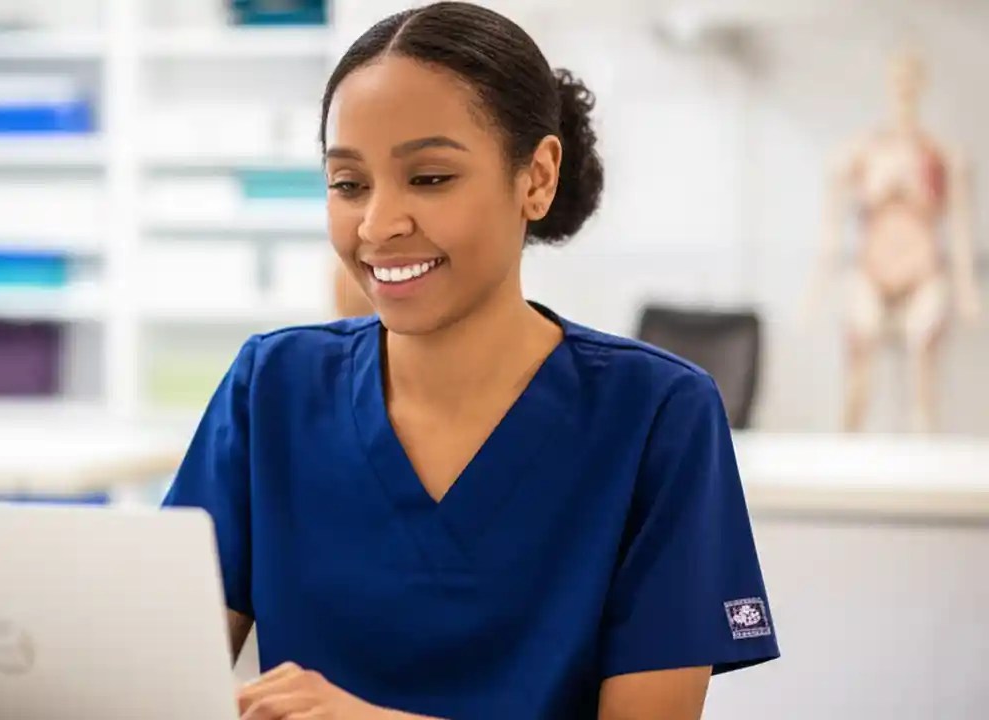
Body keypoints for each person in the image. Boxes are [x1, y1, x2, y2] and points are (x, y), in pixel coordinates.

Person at [164, 3, 779, 718]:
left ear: (537, 178)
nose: (378, 224)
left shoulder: (657, 417)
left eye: (429, 179)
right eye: (348, 183)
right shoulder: (270, 389)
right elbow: (151, 679)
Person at [805, 46, 979, 434]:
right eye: (897, 77)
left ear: (922, 84)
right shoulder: (861, 151)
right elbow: (832, 226)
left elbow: (960, 229)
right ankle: (847, 449)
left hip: (923, 273)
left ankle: (925, 454)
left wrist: (967, 290)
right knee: (860, 348)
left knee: (922, 349)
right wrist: (816, 288)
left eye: (910, 77)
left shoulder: (941, 155)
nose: (903, 87)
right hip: (873, 271)